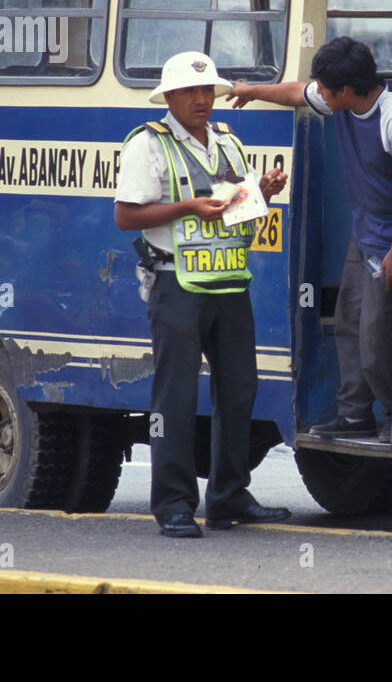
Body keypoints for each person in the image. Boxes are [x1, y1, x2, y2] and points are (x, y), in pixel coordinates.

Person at [114, 51, 291, 538]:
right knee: (174, 395)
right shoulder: (147, 146)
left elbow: (236, 209)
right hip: (177, 284)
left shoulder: (228, 144)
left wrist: (265, 192)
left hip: (229, 282)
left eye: (208, 91)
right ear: (169, 96)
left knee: (239, 391)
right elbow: (126, 216)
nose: (202, 100)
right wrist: (189, 207)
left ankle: (228, 496)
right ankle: (173, 503)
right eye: (191, 92)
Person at [229, 37, 392, 443]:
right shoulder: (341, 100)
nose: (317, 93)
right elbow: (294, 93)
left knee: (376, 339)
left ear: (344, 90)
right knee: (347, 325)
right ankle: (355, 415)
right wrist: (251, 91)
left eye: (323, 88)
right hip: (363, 238)